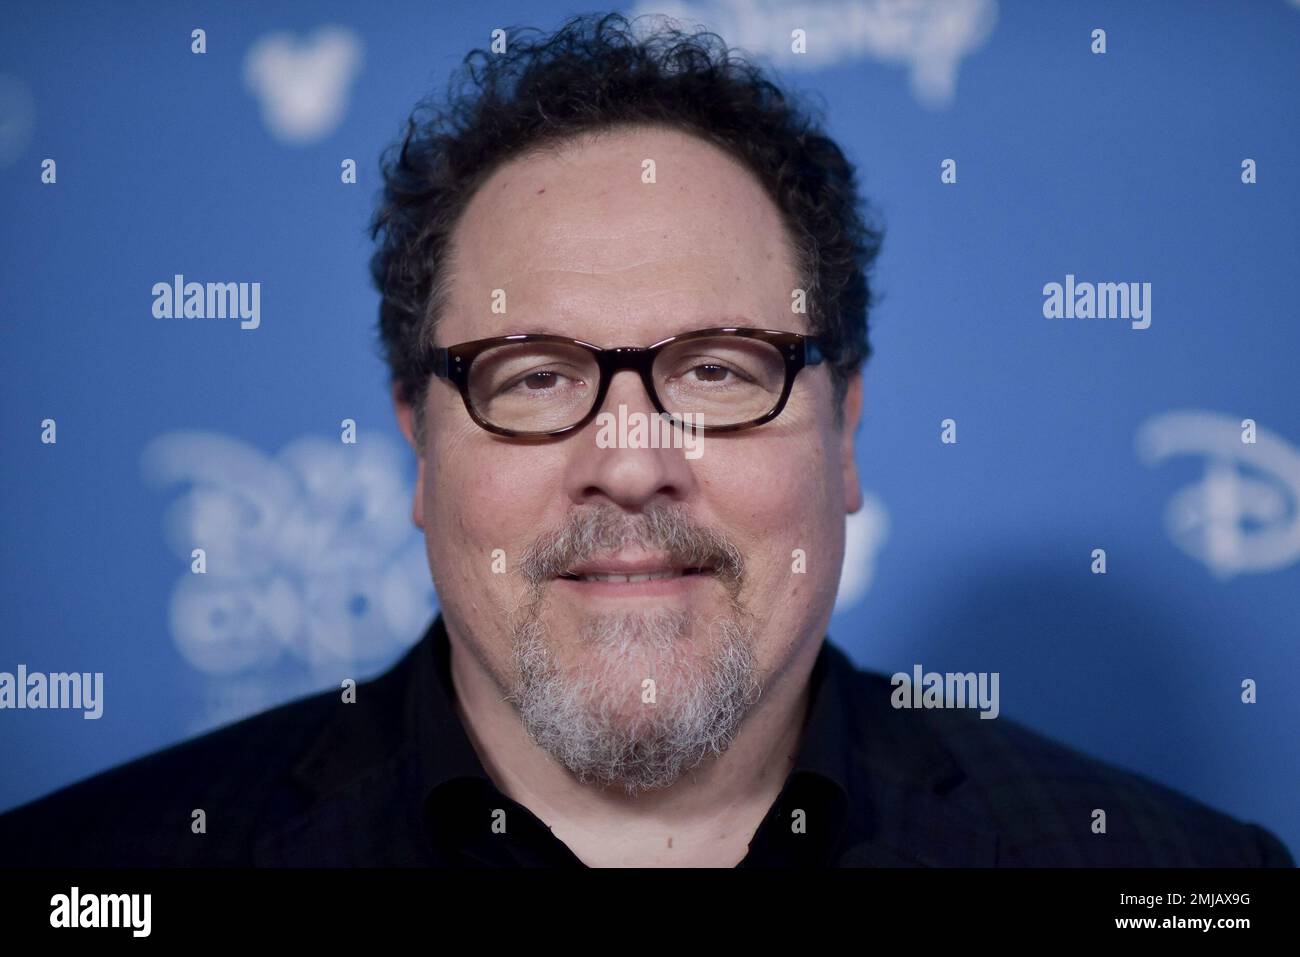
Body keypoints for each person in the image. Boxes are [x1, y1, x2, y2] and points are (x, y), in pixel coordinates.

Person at [0, 12, 1290, 868]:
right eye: (533, 373)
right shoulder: (99, 873)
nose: (629, 456)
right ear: (419, 444)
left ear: (843, 436)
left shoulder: (1165, 879)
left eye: (721, 370)